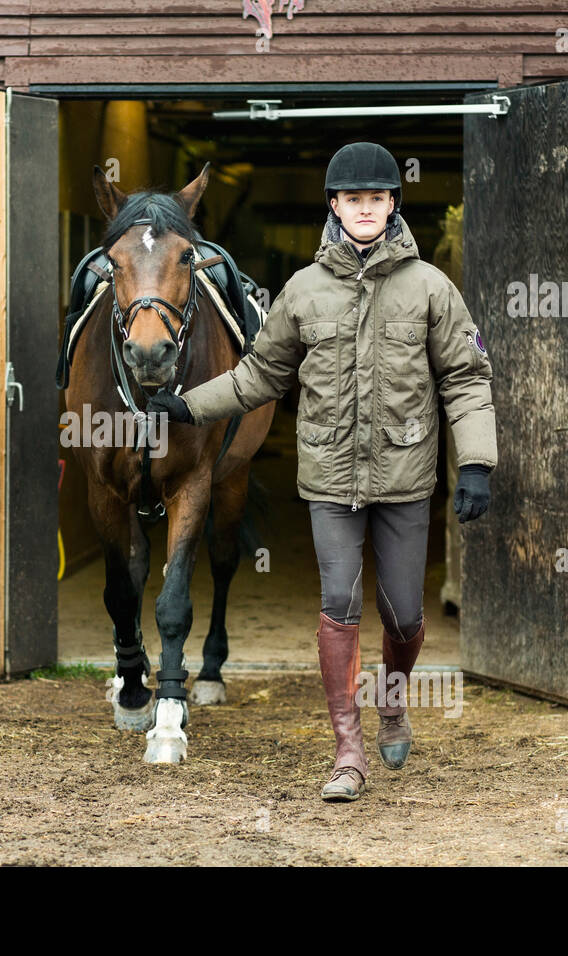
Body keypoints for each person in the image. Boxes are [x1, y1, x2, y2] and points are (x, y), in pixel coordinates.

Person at [148, 142, 497, 802]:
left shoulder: (430, 287)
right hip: (331, 480)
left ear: (393, 205)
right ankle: (348, 750)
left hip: (404, 478)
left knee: (405, 617)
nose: (365, 209)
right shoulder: (303, 292)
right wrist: (188, 405)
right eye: (352, 199)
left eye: (377, 198)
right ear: (334, 206)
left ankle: (392, 703)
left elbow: (467, 377)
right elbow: (260, 375)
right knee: (337, 606)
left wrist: (476, 462)